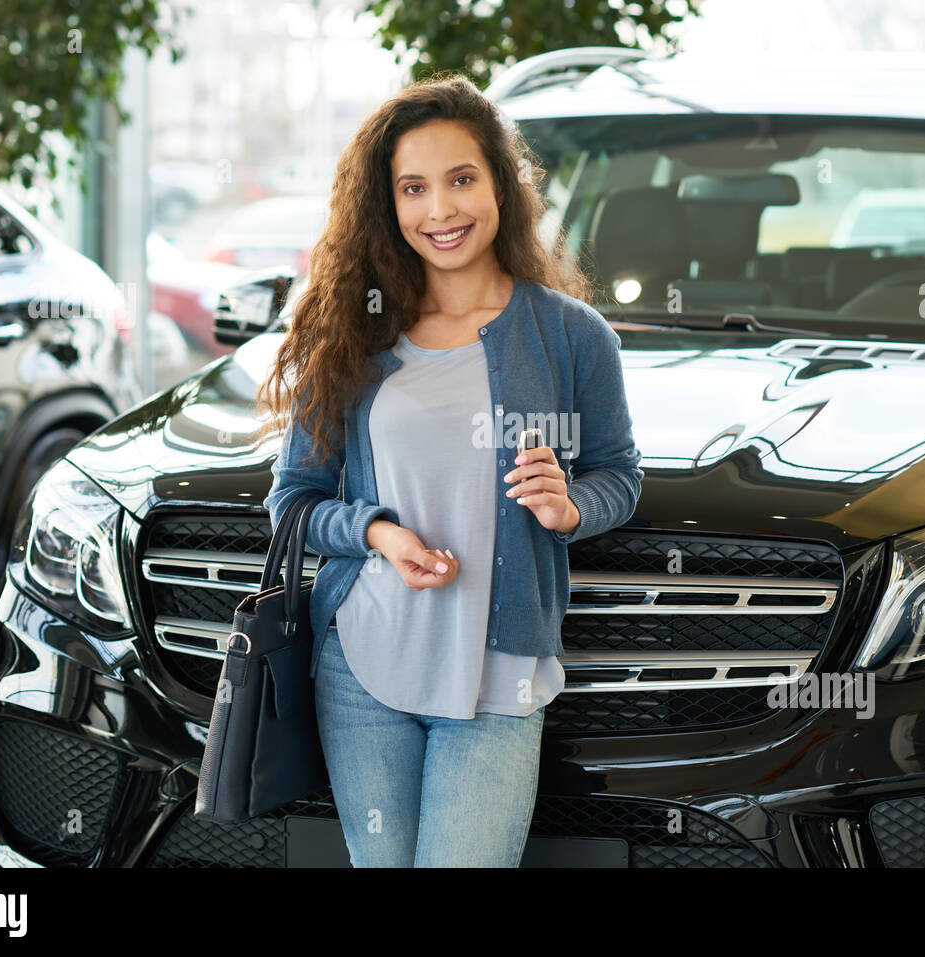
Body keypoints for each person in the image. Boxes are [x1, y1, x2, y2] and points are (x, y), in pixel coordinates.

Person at [256, 74, 643, 867]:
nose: (442, 210)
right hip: (362, 663)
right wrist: (375, 532)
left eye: (462, 179)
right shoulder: (353, 333)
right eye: (414, 188)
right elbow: (293, 500)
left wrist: (572, 510)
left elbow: (619, 474)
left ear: (500, 184)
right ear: (387, 205)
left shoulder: (572, 336)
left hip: (500, 676)